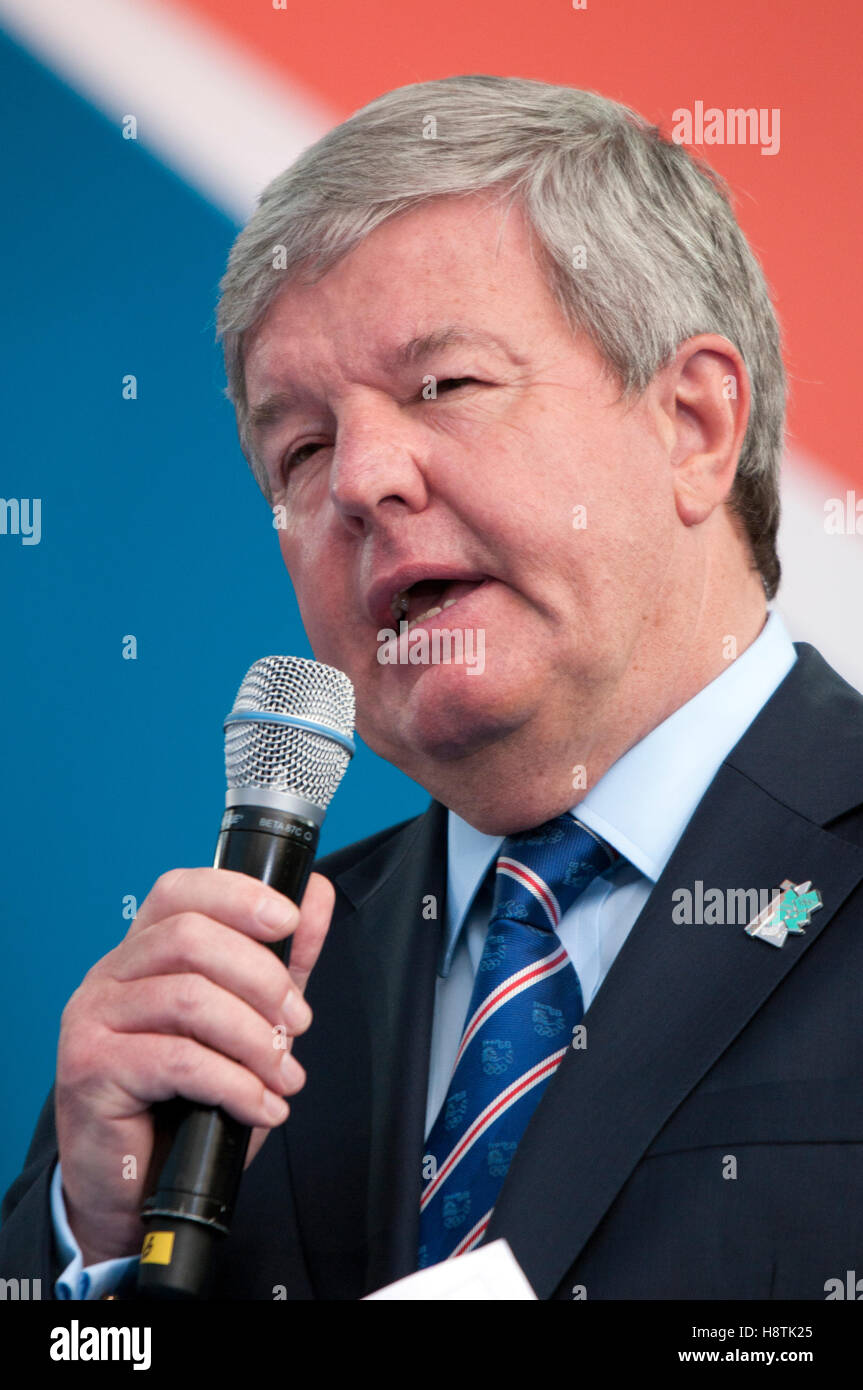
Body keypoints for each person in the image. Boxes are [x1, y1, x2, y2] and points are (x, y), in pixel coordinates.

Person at [2, 74, 862, 1301]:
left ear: (692, 423)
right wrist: (88, 1244)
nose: (360, 480)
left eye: (439, 388)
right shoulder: (239, 995)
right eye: (299, 448)